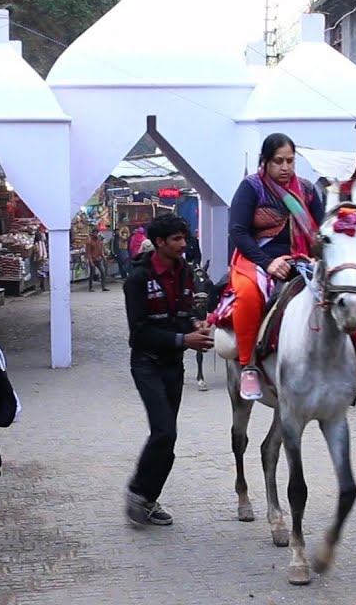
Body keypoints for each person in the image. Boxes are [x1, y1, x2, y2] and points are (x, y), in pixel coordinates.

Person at [228, 132, 356, 401]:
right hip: (259, 259)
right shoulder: (251, 188)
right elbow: (238, 232)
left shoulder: (306, 189)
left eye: (290, 161)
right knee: (247, 295)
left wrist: (317, 256)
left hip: (302, 259)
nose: (285, 167)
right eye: (278, 161)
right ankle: (249, 366)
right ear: (265, 162)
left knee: (347, 290)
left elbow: (320, 230)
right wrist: (268, 263)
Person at [123, 213, 214, 526]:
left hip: (173, 365)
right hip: (147, 364)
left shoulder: (185, 271)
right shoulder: (137, 280)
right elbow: (138, 333)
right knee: (164, 430)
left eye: (183, 238)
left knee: (167, 438)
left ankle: (148, 499)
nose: (182, 245)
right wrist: (184, 339)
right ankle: (137, 492)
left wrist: (195, 324)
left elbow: (186, 309)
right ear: (159, 242)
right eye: (175, 239)